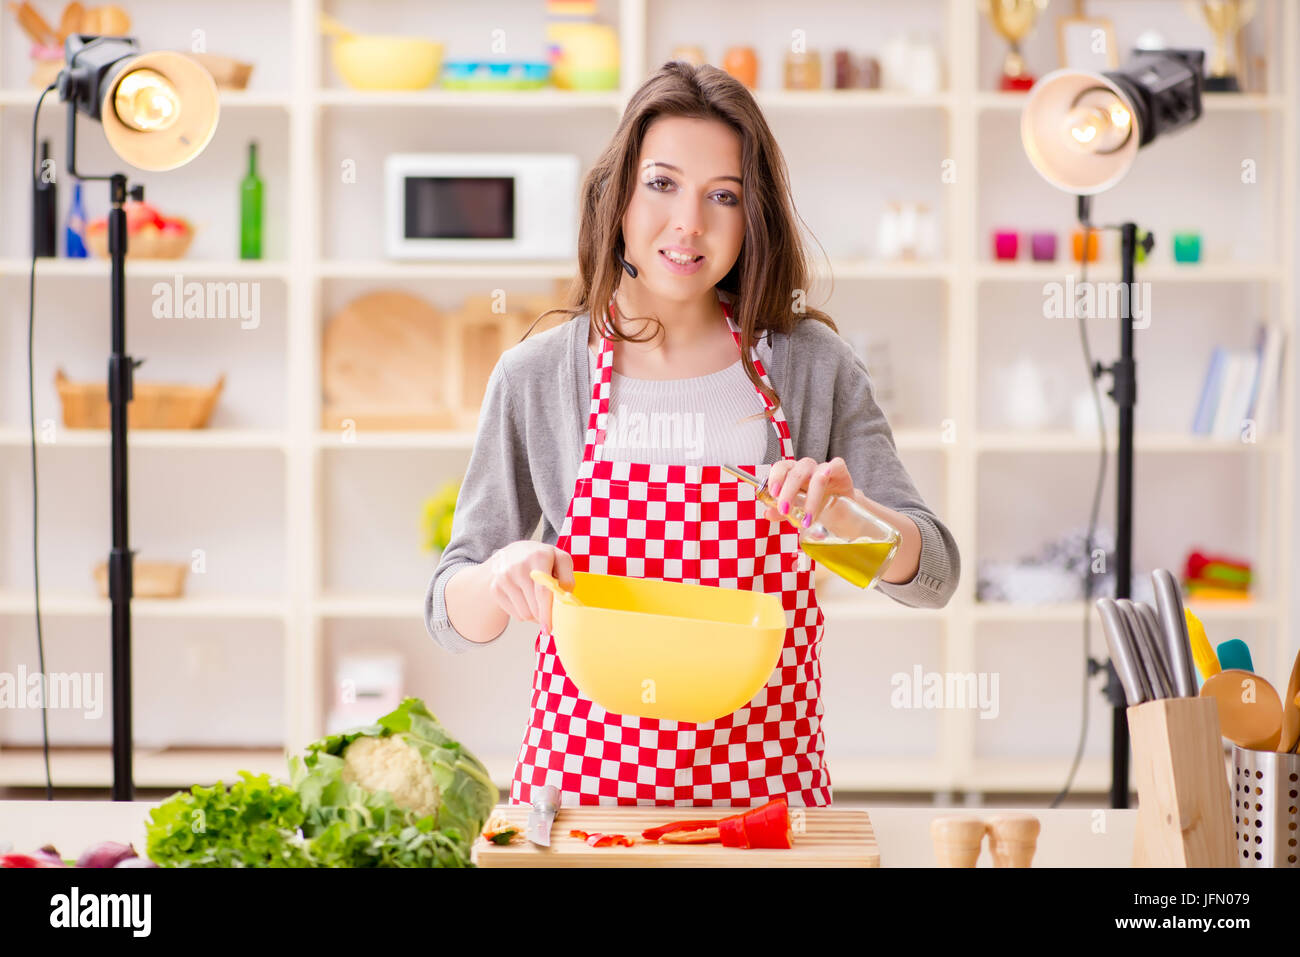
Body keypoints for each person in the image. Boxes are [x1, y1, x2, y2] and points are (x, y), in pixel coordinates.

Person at [425, 61, 960, 807]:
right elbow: (450, 612)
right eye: (663, 183)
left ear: (753, 216)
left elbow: (932, 576)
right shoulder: (537, 375)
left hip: (764, 804)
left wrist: (846, 523)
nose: (689, 223)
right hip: (587, 801)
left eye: (724, 196)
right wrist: (501, 573)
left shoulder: (811, 366)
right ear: (618, 196)